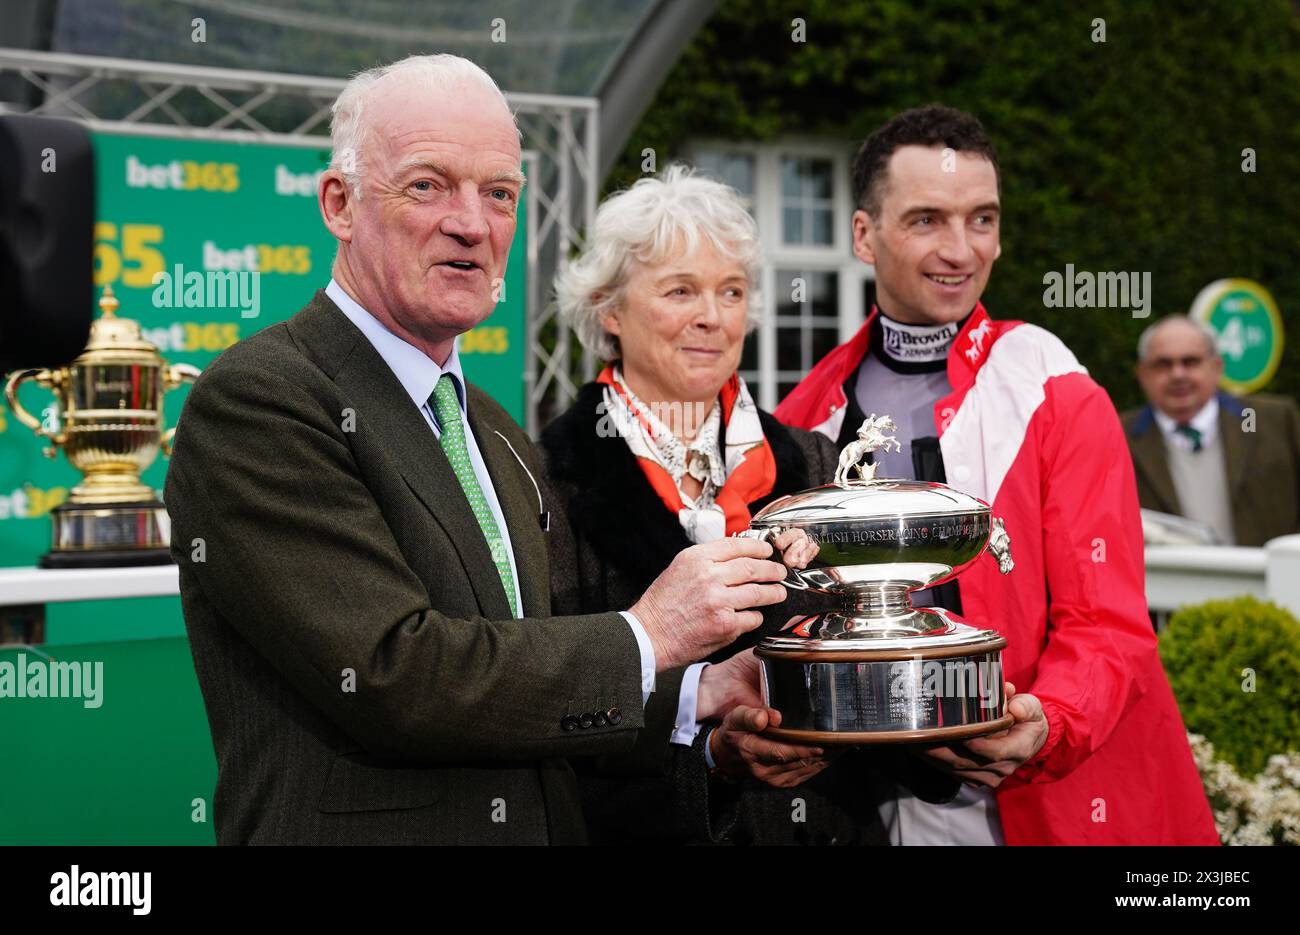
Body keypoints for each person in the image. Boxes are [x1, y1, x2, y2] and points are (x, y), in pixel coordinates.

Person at [162, 55, 791, 845]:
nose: (471, 222)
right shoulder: (260, 399)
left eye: (498, 193)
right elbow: (395, 674)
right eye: (428, 185)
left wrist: (698, 694)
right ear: (339, 203)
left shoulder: (487, 422)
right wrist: (652, 633)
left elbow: (529, 668)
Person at [775, 105, 1218, 845]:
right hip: (867, 805)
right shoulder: (804, 411)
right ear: (863, 235)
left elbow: (1110, 621)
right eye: (926, 220)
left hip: (1053, 796)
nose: (960, 250)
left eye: (982, 219)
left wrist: (1049, 721)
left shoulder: (1050, 380)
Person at [543, 165, 947, 844]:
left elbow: (877, 646)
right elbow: (547, 696)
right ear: (610, 310)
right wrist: (708, 759)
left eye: (731, 291)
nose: (712, 315)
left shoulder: (819, 462)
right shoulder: (549, 474)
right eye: (680, 290)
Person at [1123, 314, 1300, 546]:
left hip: (1271, 577)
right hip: (1170, 580)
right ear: (1143, 374)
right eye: (1163, 364)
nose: (1178, 374)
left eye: (1191, 362)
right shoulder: (1119, 435)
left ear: (1216, 367)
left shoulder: (1272, 420)